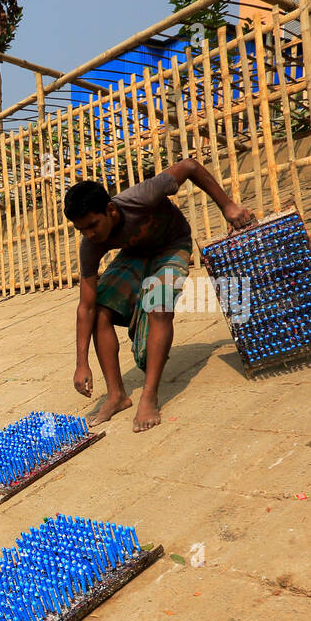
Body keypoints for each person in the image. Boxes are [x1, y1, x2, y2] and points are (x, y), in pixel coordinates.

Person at [63, 159, 255, 432]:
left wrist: (228, 206)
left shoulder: (142, 196)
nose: (89, 234)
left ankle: (149, 396)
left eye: (93, 225)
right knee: (101, 310)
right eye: (81, 229)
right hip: (135, 254)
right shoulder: (90, 245)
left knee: (158, 305)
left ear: (110, 210)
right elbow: (86, 306)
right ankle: (117, 395)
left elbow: (189, 166)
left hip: (171, 245)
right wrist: (81, 363)